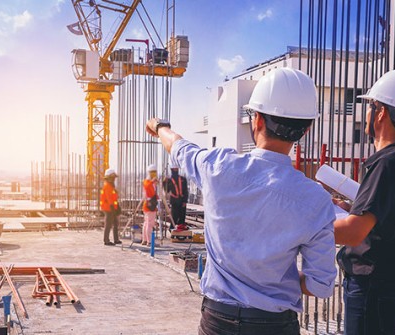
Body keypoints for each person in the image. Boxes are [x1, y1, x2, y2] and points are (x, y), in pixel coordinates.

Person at [145, 68, 339, 335]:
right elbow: (320, 285)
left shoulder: (218, 167)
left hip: (217, 321)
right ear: (305, 130)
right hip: (275, 325)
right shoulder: (316, 200)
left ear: (256, 120)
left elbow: (178, 146)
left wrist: (160, 127)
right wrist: (275, 280)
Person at [332, 70, 395, 335]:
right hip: (394, 286)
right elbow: (391, 221)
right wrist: (347, 210)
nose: (367, 113)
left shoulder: (386, 164)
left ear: (382, 112)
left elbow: (354, 233)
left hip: (373, 287)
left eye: (370, 106)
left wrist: (302, 227)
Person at [100, 169, 121, 245]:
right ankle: (106, 240)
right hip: (108, 208)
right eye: (112, 178)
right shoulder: (108, 186)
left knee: (115, 223)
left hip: (112, 208)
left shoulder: (111, 186)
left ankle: (116, 239)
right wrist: (112, 207)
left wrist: (117, 206)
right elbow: (109, 198)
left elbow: (114, 198)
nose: (113, 179)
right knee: (108, 224)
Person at [140, 165, 160, 243]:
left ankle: (145, 239)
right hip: (149, 205)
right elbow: (148, 188)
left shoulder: (151, 183)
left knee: (147, 223)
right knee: (149, 223)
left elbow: (153, 193)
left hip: (150, 204)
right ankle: (149, 241)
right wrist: (153, 182)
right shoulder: (147, 182)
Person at [166, 165, 189, 231]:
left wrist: (185, 201)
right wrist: (164, 183)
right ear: (171, 168)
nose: (176, 168)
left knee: (182, 216)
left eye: (176, 167)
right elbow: (166, 191)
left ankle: (181, 229)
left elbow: (185, 191)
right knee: (174, 216)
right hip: (174, 201)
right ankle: (172, 228)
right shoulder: (169, 180)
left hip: (182, 200)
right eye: (174, 167)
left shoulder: (183, 179)